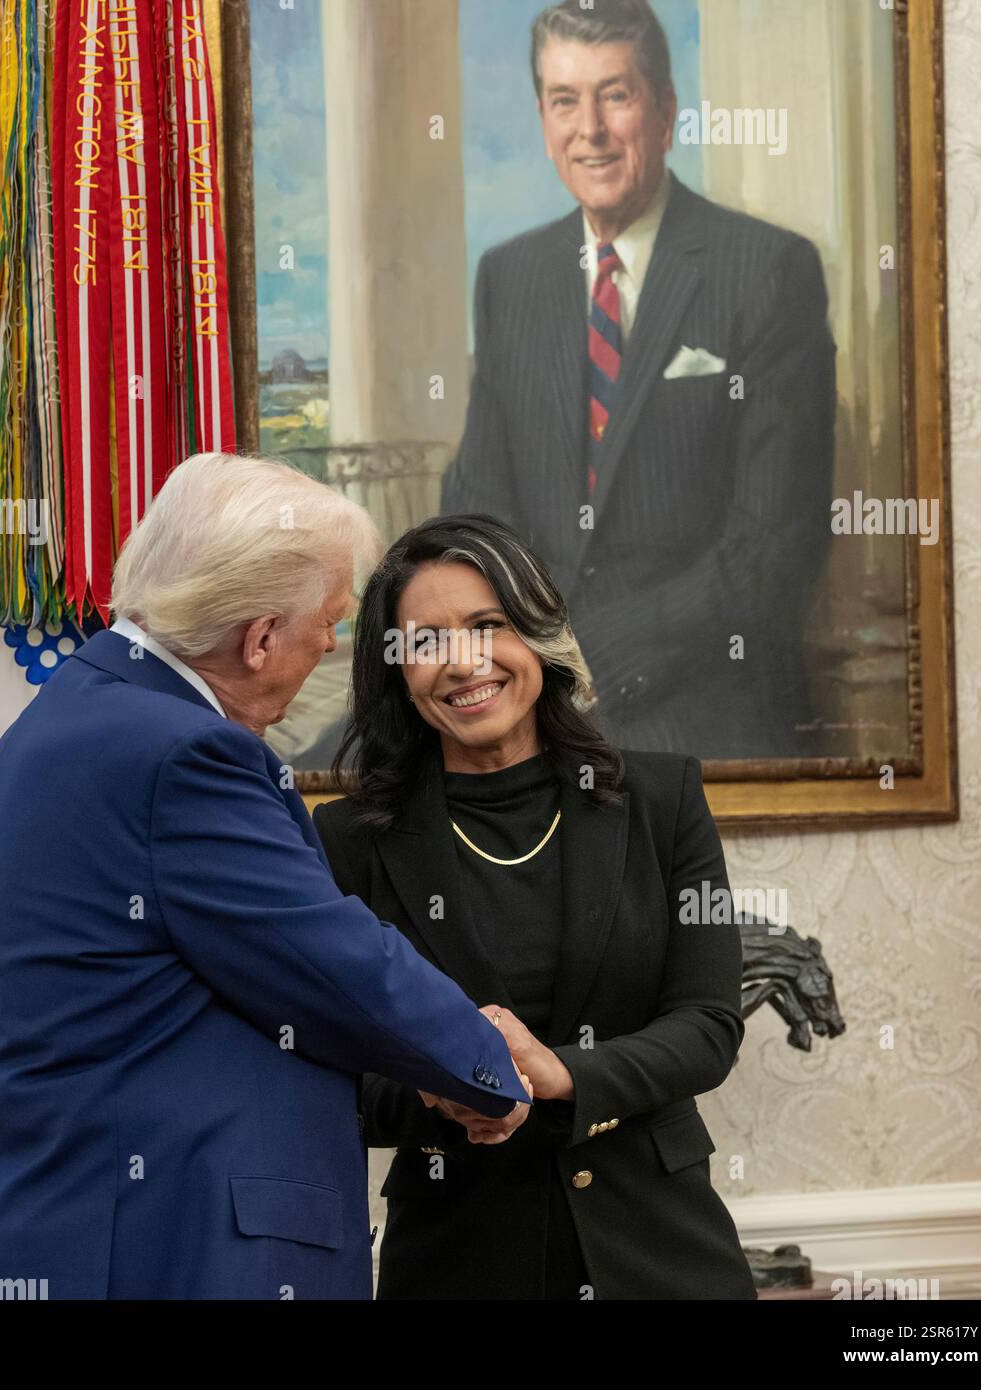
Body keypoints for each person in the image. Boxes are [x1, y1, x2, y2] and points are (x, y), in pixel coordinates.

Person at [0, 453, 531, 1301]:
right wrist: (485, 1066)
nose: (332, 643)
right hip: (170, 1253)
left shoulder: (81, 710)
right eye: (326, 622)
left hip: (84, 1234)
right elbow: (328, 960)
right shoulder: (181, 753)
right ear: (259, 637)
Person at [313, 514, 756, 1299]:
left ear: (539, 638)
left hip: (661, 1254)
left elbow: (709, 1025)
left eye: (490, 625)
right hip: (459, 1259)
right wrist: (440, 1092)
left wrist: (564, 1074)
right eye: (425, 642)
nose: (463, 663)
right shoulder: (351, 838)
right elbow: (332, 1069)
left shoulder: (662, 799)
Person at [441, 0, 836, 759]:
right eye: (564, 100)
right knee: (350, 782)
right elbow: (476, 509)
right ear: (543, 116)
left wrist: (568, 660)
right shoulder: (508, 278)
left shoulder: (765, 271)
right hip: (522, 689)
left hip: (696, 693)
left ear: (664, 111)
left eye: (614, 95)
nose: (588, 129)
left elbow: (770, 553)